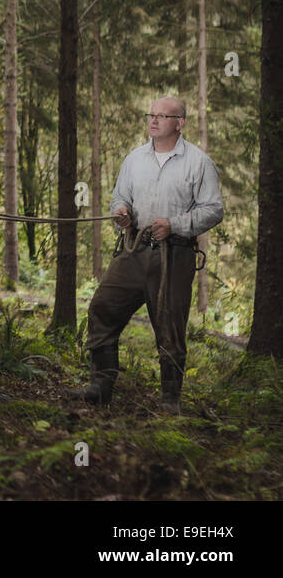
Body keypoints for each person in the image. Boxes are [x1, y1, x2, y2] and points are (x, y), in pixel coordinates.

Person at [66, 96, 224, 415]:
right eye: (151, 115)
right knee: (102, 308)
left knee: (169, 325)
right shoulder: (135, 158)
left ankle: (169, 401)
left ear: (179, 123)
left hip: (175, 255)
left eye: (162, 116)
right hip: (133, 250)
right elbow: (120, 196)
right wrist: (121, 211)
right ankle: (100, 386)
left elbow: (214, 210)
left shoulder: (199, 162)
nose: (153, 120)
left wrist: (176, 224)